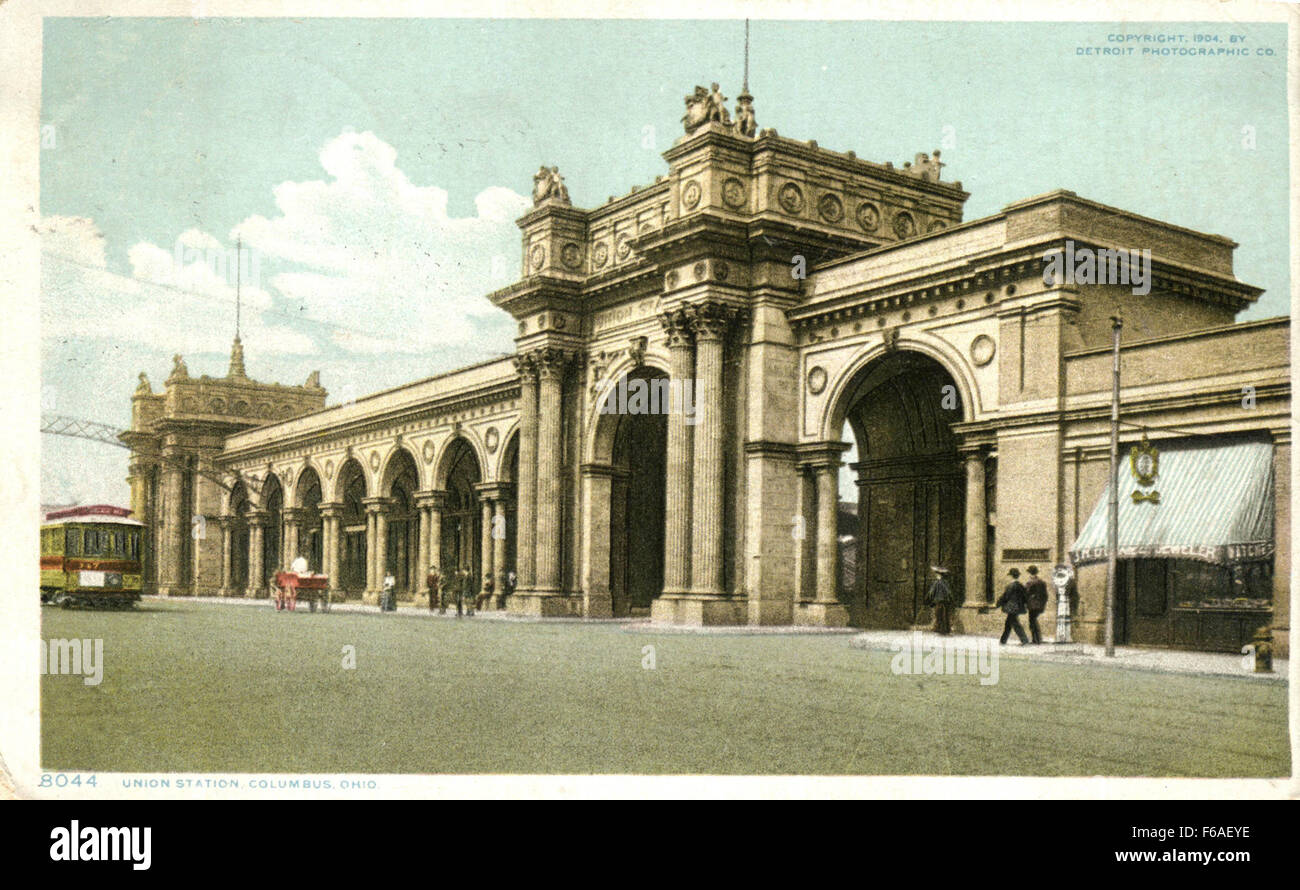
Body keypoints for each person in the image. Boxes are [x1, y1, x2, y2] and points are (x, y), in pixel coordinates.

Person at [996, 568, 1030, 645]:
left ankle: (1024, 640)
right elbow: (1025, 597)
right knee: (1008, 623)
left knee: (1015, 624)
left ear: (1011, 576)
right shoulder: (1021, 586)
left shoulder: (1010, 586)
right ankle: (1003, 640)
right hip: (1018, 608)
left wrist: (997, 604)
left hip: (1011, 608)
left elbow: (1005, 597)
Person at [1025, 565, 1049, 644]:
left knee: (1032, 622)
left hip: (1032, 605)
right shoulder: (1041, 582)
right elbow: (1045, 595)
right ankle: (1037, 639)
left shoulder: (1030, 582)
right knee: (1034, 621)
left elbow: (1026, 593)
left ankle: (1036, 639)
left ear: (1030, 573)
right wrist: (1042, 603)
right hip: (1039, 605)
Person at [925, 565, 953, 635]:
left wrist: (927, 598)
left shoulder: (936, 583)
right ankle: (946, 630)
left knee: (939, 615)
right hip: (945, 602)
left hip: (938, 602)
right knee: (945, 616)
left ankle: (939, 630)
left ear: (938, 575)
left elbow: (931, 592)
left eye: (936, 574)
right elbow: (949, 592)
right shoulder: (946, 583)